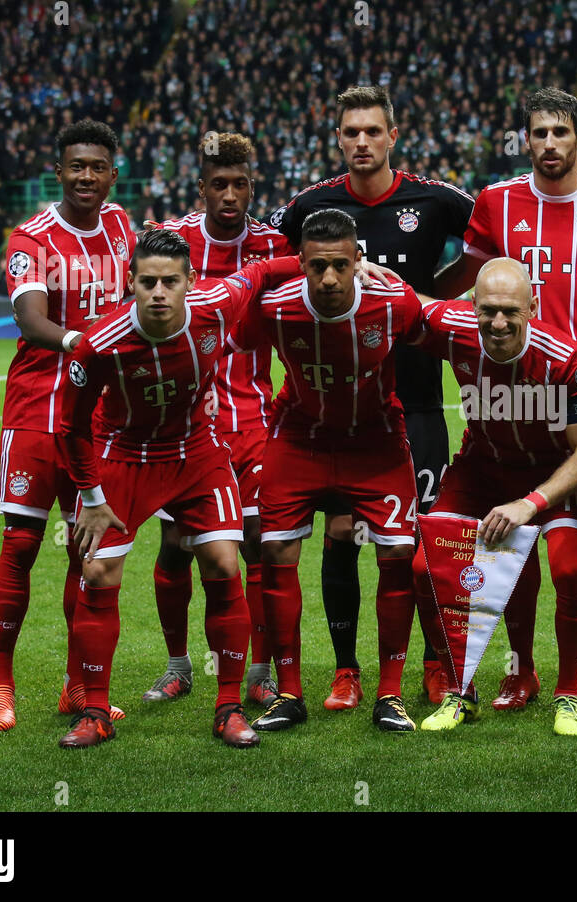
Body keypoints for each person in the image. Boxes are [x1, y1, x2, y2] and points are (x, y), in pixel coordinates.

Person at [434, 86, 577, 710]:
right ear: (526, 139)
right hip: (516, 395)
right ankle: (524, 671)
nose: (550, 144)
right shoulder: (497, 203)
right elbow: (466, 281)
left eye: (562, 132)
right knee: (518, 548)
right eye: (539, 133)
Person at [268, 87, 475, 711]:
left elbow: (493, 240)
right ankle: (347, 670)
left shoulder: (435, 199)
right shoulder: (310, 207)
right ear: (338, 138)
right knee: (338, 534)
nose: (361, 142)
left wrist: (435, 294)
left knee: (423, 541)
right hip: (341, 409)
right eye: (350, 132)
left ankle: (438, 663)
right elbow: (266, 260)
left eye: (372, 131)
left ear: (392, 135)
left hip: (413, 403)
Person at [55, 229, 303, 748]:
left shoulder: (215, 305)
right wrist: (93, 499)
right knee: (98, 570)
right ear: (131, 282)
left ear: (191, 281)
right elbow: (71, 427)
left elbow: (258, 272)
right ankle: (95, 710)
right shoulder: (99, 344)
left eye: (171, 281)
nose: (160, 292)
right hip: (123, 455)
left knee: (223, 562)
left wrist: (321, 260)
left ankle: (228, 706)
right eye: (148, 282)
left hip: (196, 452)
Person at [405, 258, 577, 736]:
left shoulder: (564, 360)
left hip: (555, 475)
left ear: (532, 308)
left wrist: (530, 503)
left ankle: (568, 694)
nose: (498, 323)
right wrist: (363, 264)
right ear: (471, 306)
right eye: (489, 311)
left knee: (568, 568)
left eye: (510, 312)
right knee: (424, 570)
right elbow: (407, 303)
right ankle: (465, 690)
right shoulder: (452, 329)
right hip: (483, 466)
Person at [237, 209, 425, 733]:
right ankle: (290, 693)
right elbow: (233, 341)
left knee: (398, 555)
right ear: (300, 264)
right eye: (317, 266)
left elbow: (437, 335)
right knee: (274, 550)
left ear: (358, 261)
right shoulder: (274, 309)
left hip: (375, 441)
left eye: (340, 266)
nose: (328, 279)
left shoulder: (393, 303)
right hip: (300, 439)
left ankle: (390, 695)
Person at [0, 119, 137, 731]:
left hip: (96, 418)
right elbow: (29, 318)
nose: (86, 178)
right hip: (35, 413)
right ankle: (0, 689)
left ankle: (78, 687)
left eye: (97, 167)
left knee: (87, 553)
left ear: (111, 174)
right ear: (59, 172)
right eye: (76, 166)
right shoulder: (32, 237)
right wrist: (82, 341)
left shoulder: (124, 226)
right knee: (20, 544)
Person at [141, 132, 293, 708]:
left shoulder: (272, 243)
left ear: (252, 186)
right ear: (200, 188)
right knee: (177, 542)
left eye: (240, 184)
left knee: (255, 542)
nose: (230, 195)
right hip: (182, 421)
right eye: (218, 184)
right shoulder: (173, 243)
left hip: (252, 417)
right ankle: (179, 664)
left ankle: (257, 672)